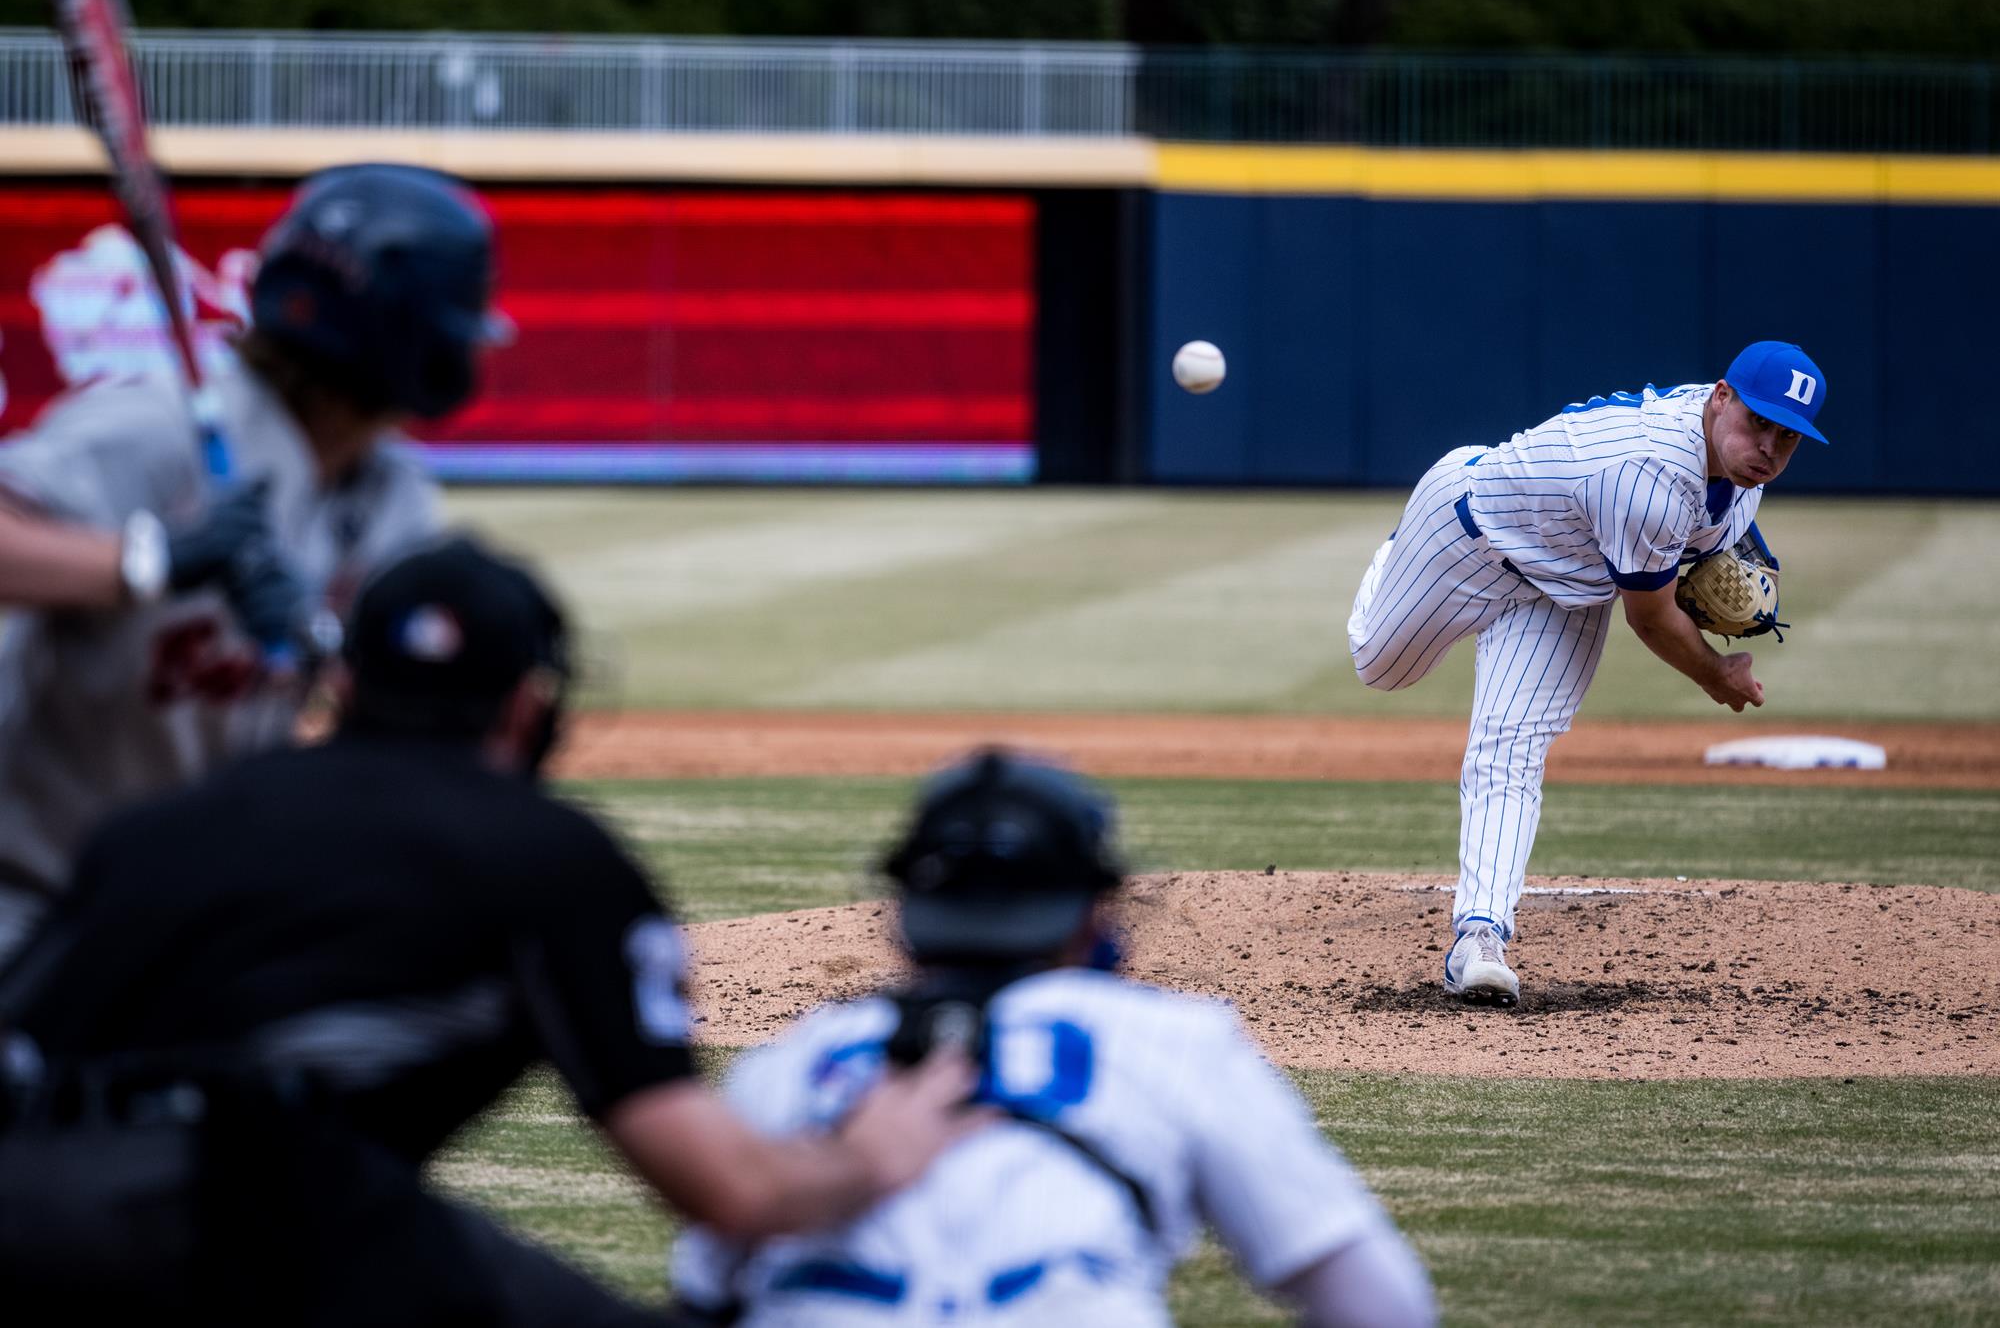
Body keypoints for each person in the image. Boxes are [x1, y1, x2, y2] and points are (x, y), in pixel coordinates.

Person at [0, 539, 982, 1325]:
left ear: (342, 683)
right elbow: (729, 1190)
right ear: (528, 703)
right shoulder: (546, 853)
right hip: (238, 1209)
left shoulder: (155, 825)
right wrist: (873, 1155)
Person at [670, 748, 1437, 1328]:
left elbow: (703, 1294)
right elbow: (1383, 1304)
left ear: (903, 916)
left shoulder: (788, 1063)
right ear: (1091, 915)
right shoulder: (1176, 1040)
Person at [0, 162, 507, 965]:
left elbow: (386, 715)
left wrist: (325, 645)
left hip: (175, 914)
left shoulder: (390, 498)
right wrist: (148, 559)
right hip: (24, 896)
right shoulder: (156, 428)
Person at [1345, 341, 1829, 1006]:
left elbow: (1721, 539)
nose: (1769, 447)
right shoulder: (1652, 472)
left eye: (1788, 437)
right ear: (1721, 396)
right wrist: (1718, 672)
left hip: (1565, 590)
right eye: (1758, 422)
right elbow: (1653, 620)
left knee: (1511, 747)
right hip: (1466, 530)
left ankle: (1479, 937)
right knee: (1379, 664)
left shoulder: (1743, 471)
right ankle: (1392, 555)